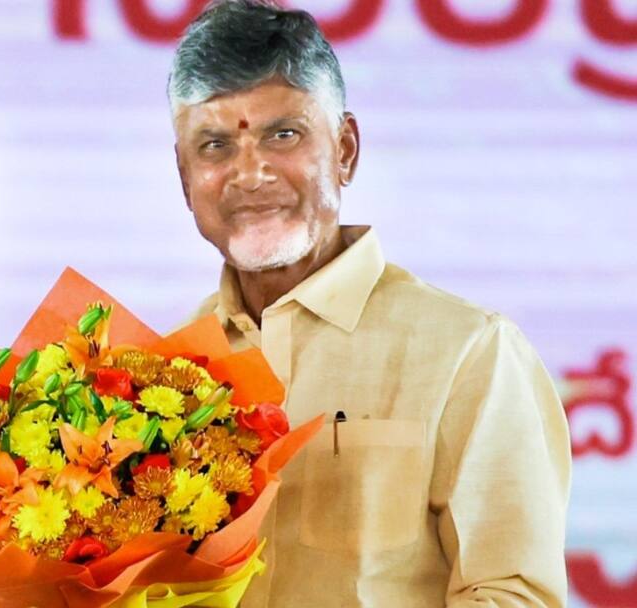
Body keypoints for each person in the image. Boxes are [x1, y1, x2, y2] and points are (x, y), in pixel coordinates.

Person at [169, 3, 570, 606]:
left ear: (346, 150)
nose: (249, 174)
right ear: (184, 178)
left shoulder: (469, 352)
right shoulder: (161, 371)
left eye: (284, 135)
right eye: (215, 145)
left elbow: (513, 594)